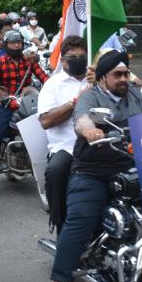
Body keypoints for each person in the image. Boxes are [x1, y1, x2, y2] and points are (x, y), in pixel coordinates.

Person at [49, 50, 142, 282]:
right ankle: (60, 280)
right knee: (82, 216)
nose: (124, 79)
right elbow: (81, 119)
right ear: (101, 79)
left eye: (126, 74)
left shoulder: (135, 96)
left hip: (129, 167)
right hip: (92, 169)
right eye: (117, 75)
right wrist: (89, 130)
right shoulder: (90, 97)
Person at [0, 30, 49, 190]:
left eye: (19, 43)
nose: (17, 46)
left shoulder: (29, 61)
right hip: (5, 103)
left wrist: (53, 87)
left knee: (46, 132)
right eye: (13, 43)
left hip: (27, 103)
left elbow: (44, 78)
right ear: (6, 45)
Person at [37, 35, 90, 233]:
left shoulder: (97, 80)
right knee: (55, 172)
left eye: (81, 56)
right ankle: (60, 224)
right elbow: (46, 121)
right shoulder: (53, 85)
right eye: (72, 56)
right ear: (63, 59)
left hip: (98, 144)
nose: (77, 60)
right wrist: (77, 101)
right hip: (67, 148)